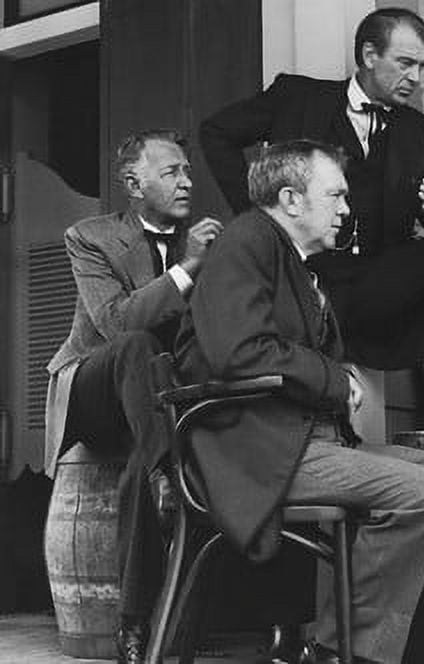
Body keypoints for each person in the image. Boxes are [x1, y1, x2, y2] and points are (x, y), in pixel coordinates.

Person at [174, 140, 424, 664]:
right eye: (336, 196)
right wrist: (332, 379)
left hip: (304, 441)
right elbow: (238, 350)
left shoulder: (296, 260)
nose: (347, 209)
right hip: (257, 451)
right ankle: (339, 650)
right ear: (291, 199)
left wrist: (330, 377)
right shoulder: (246, 241)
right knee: (420, 492)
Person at [200, 7, 424, 426]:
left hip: (377, 285)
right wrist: (261, 214)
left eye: (422, 66)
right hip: (303, 278)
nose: (416, 77)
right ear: (369, 54)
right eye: (405, 62)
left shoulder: (421, 132)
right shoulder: (298, 98)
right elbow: (216, 133)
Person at [44, 130, 222, 664]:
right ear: (133, 183)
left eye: (188, 171)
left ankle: (135, 625)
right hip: (94, 389)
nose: (187, 181)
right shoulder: (91, 236)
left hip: (163, 403)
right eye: (172, 172)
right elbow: (116, 322)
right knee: (136, 343)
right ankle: (165, 466)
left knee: (148, 460)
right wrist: (188, 268)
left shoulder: (213, 238)